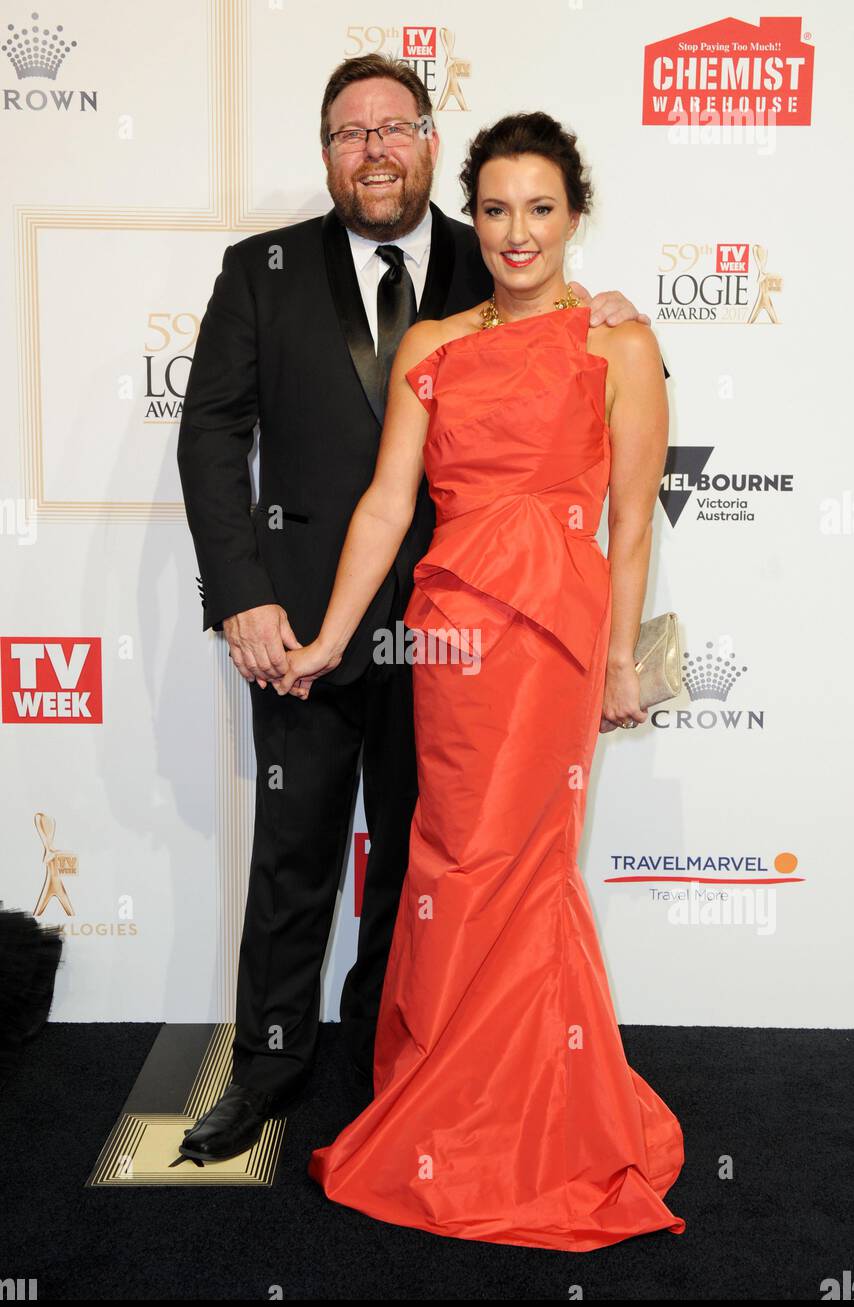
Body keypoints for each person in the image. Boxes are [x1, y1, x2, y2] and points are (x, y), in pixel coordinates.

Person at [175, 53, 652, 1166]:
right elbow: (212, 436)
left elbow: (571, 357)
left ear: (430, 144)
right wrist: (246, 597)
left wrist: (612, 307)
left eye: (395, 128)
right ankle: (267, 1073)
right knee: (293, 855)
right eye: (351, 132)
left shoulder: (495, 257)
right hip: (315, 613)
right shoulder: (262, 270)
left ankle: (395, 1070)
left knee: (426, 863)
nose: (375, 149)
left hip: (480, 636)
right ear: (325, 152)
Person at [279, 110, 686, 1251]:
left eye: (540, 208)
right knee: (451, 859)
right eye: (497, 208)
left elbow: (632, 522)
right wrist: (328, 637)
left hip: (555, 637)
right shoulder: (433, 345)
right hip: (453, 637)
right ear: (473, 215)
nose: (518, 232)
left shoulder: (618, 343)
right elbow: (386, 505)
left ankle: (534, 1120)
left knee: (524, 868)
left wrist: (619, 662)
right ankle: (449, 1103)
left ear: (574, 215)